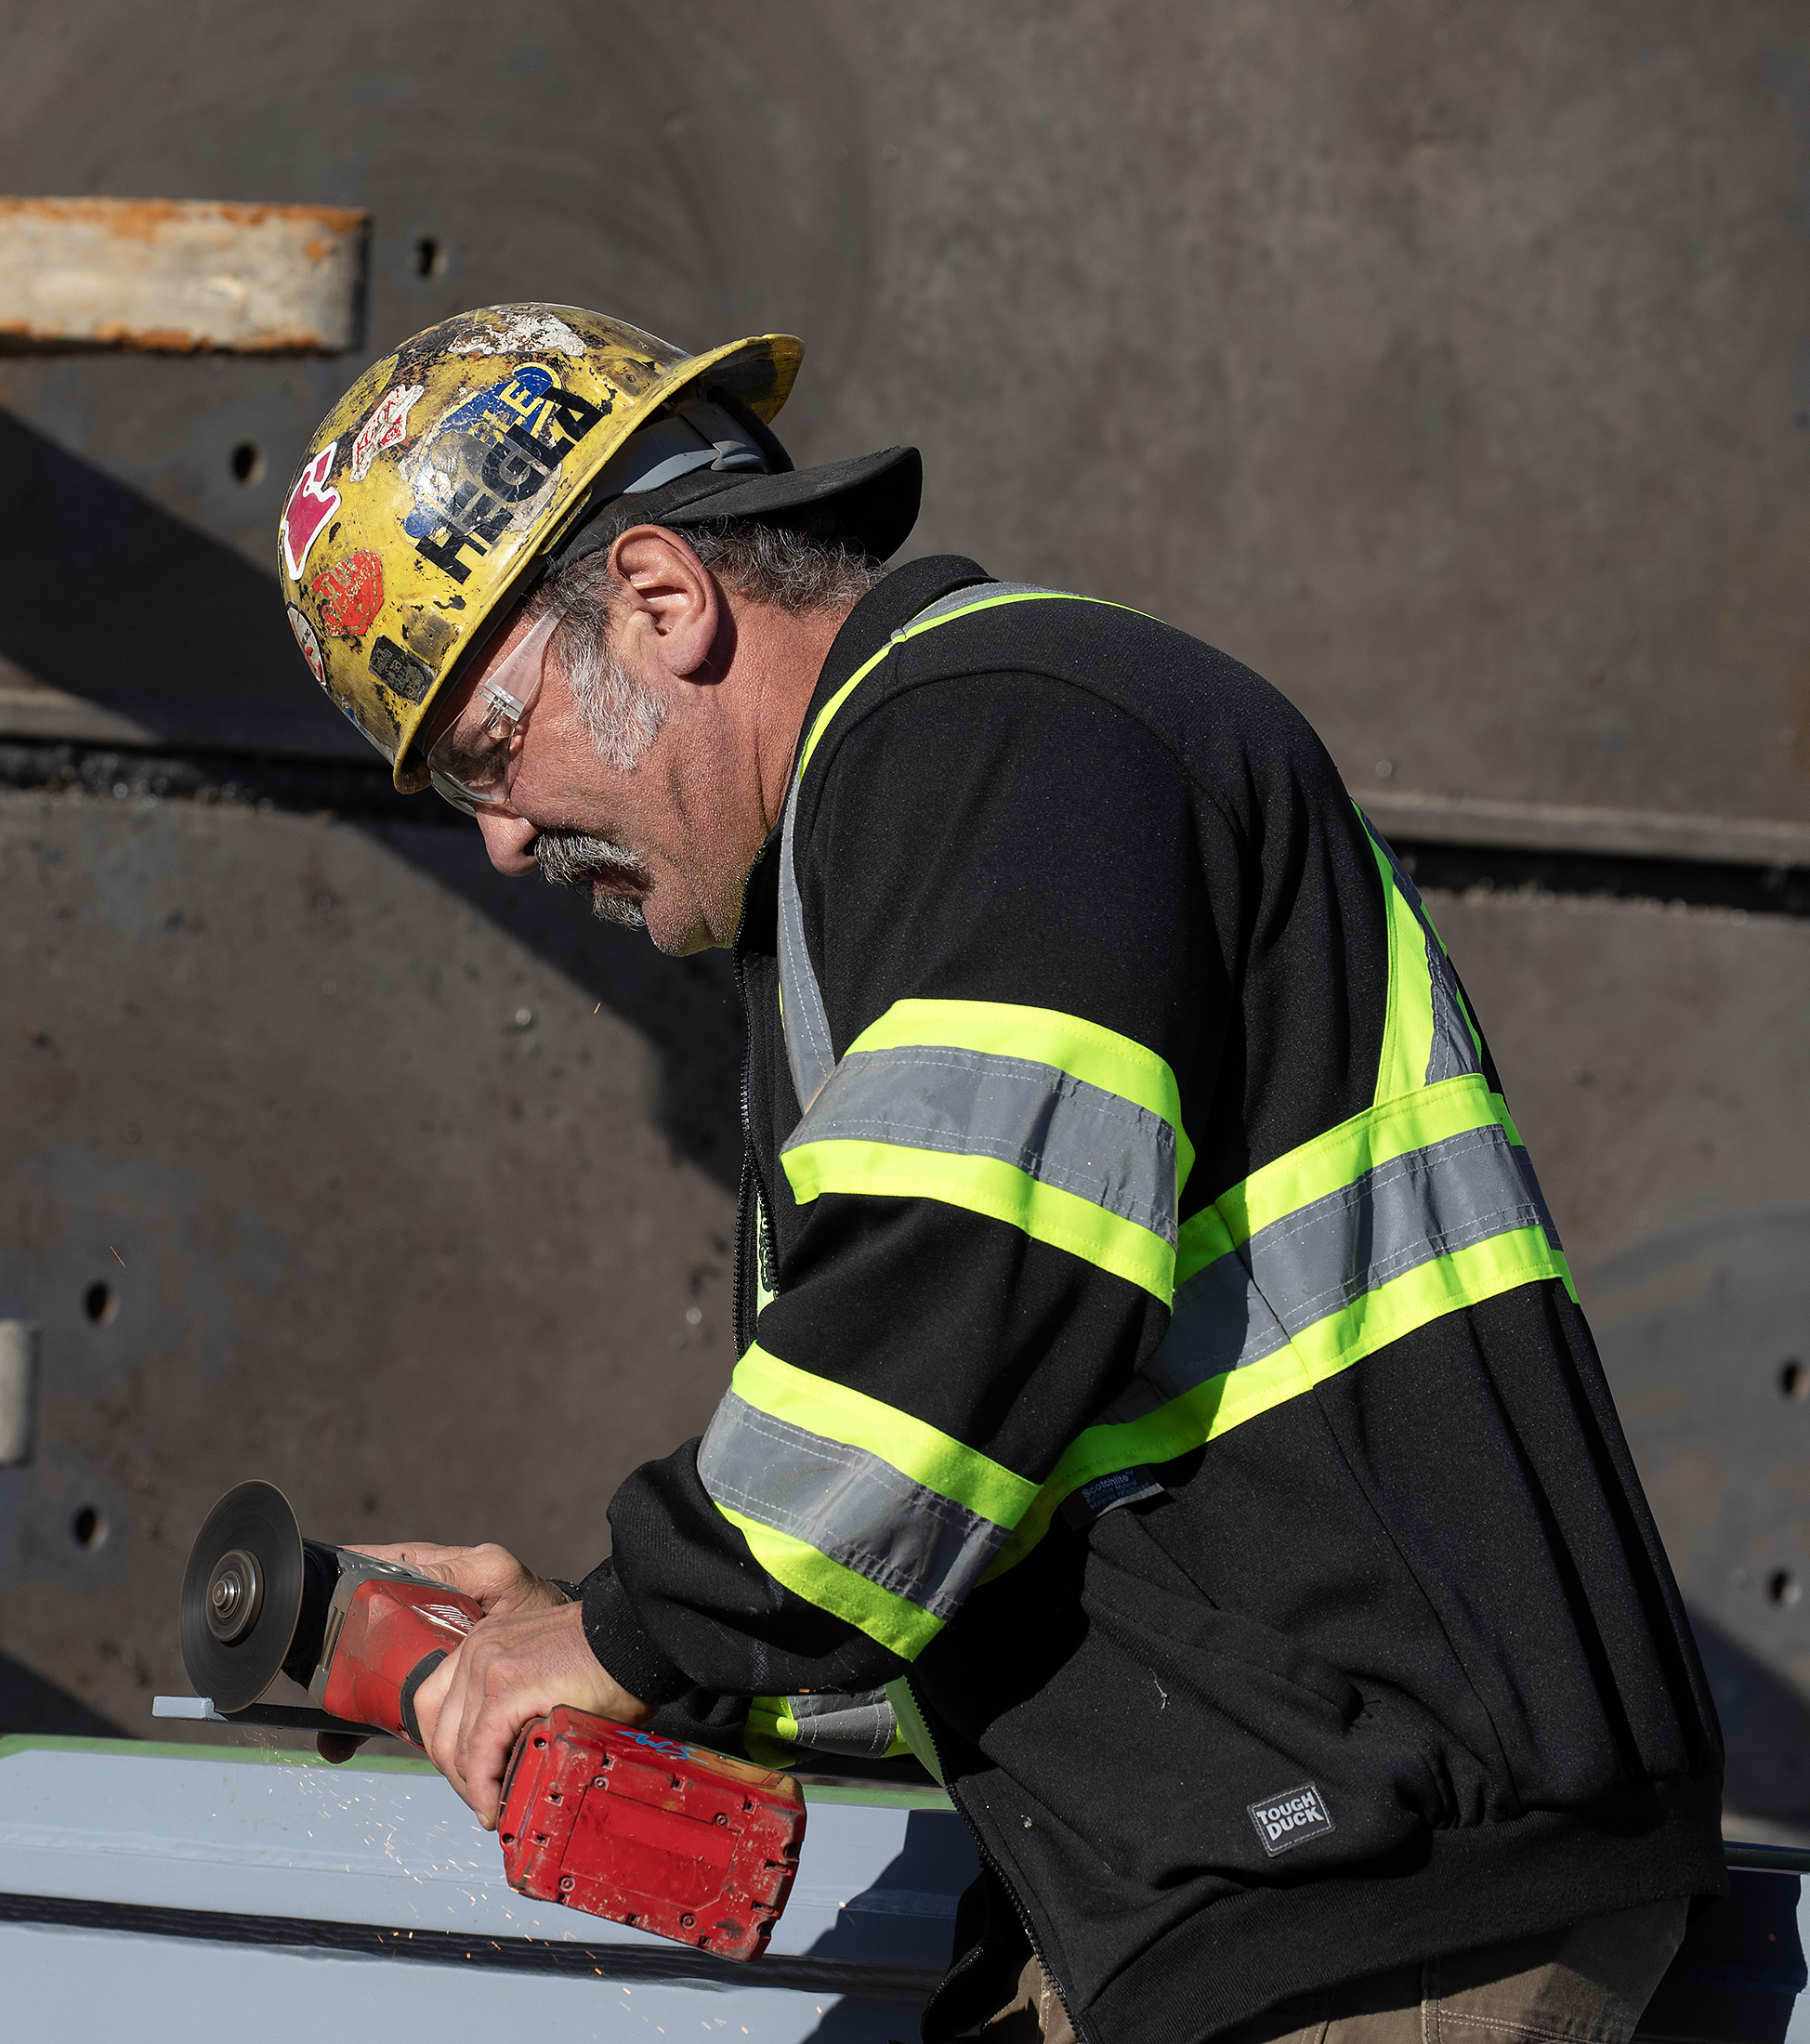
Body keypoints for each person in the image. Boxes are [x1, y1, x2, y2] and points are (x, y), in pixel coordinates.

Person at [276, 303, 1725, 2044]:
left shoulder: (999, 739)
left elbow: (948, 1294)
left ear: (663, 601)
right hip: (1277, 1873)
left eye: (493, 756)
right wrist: (633, 1642)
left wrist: (632, 1635)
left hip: (1382, 1891)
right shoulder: (895, 832)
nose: (505, 839)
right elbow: (988, 1499)